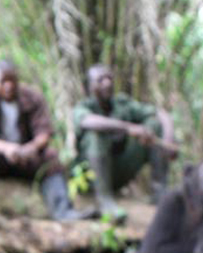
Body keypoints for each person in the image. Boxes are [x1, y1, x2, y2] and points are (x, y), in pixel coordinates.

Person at [0, 60, 90, 221]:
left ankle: (63, 211)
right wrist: (6, 149)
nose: (8, 86)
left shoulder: (32, 97)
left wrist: (29, 149)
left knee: (51, 158)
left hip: (27, 158)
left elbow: (44, 133)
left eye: (12, 80)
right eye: (3, 82)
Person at [73, 64, 177, 217]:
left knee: (153, 126)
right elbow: (87, 121)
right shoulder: (83, 106)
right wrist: (128, 128)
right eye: (100, 80)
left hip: (119, 172)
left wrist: (168, 139)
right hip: (90, 177)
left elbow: (160, 113)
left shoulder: (122, 104)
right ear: (90, 86)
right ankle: (105, 200)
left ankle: (159, 192)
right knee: (96, 135)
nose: (107, 83)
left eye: (109, 78)